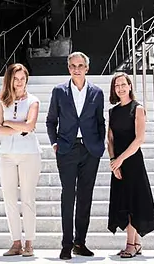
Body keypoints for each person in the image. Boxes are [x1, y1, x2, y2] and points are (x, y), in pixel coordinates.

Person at [46, 51, 106, 260]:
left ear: (87, 68)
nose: (77, 69)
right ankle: (66, 244)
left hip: (90, 151)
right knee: (68, 196)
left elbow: (100, 122)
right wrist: (55, 143)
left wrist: (99, 144)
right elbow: (51, 121)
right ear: (68, 68)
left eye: (80, 66)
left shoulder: (97, 92)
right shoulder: (59, 91)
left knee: (85, 196)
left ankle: (80, 242)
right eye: (73, 66)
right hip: (67, 150)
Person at [107, 71, 154, 257]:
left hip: (133, 162)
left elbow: (139, 139)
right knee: (125, 203)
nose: (120, 88)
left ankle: (130, 244)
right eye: (117, 85)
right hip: (118, 163)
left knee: (132, 204)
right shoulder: (112, 112)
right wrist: (113, 161)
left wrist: (120, 159)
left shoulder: (138, 109)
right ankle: (136, 244)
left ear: (130, 86)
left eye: (123, 84)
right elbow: (110, 139)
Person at [0, 63, 42, 257]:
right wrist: (18, 126)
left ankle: (29, 242)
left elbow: (30, 126)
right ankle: (16, 242)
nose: (20, 82)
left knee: (28, 198)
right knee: (9, 199)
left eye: (23, 78)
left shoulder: (33, 101)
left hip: (29, 154)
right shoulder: (2, 100)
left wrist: (8, 123)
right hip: (7, 154)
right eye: (16, 79)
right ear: (10, 80)